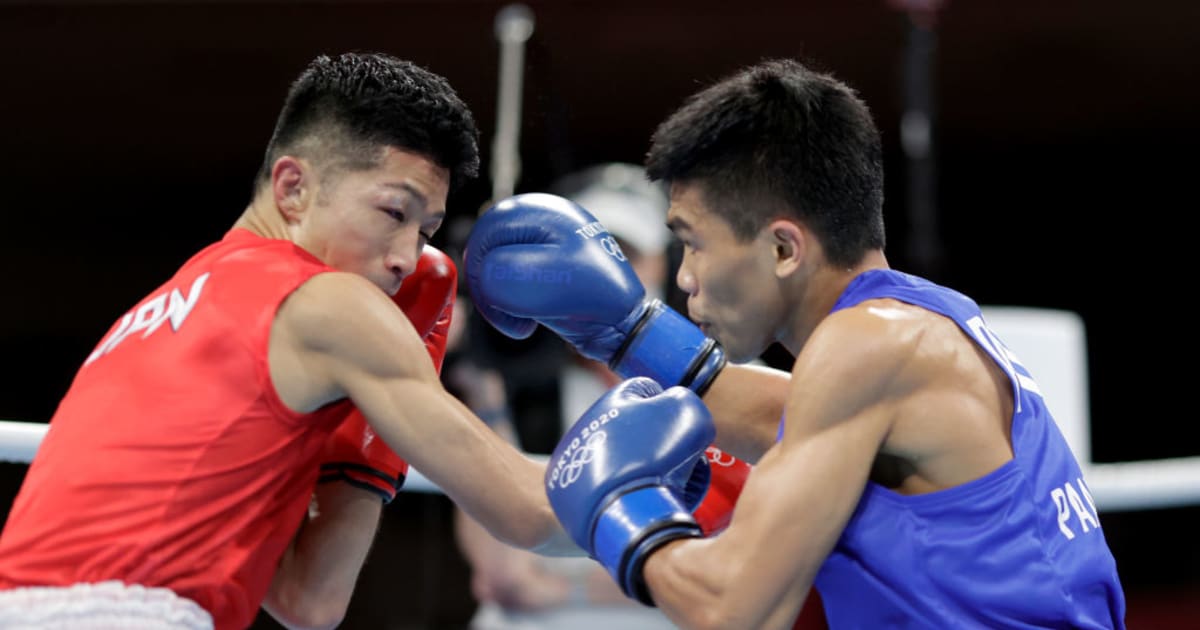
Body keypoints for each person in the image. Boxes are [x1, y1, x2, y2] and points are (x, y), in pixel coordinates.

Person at [464, 58, 1127, 628]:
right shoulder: (920, 321)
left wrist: (622, 512)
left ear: (782, 247)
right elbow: (757, 408)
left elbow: (732, 608)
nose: (686, 277)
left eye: (693, 242)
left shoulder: (866, 346)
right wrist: (618, 326)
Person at [0, 52, 572, 630]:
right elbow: (530, 513)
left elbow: (309, 600)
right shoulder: (325, 304)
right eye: (393, 212)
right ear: (293, 187)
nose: (406, 258)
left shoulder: (152, 316)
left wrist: (366, 456)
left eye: (425, 232)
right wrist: (651, 483)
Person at [451, 163, 686, 630]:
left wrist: (566, 588)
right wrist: (480, 387)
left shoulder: (715, 383)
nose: (606, 276)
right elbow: (505, 576)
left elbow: (731, 569)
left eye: (625, 254)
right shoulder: (516, 379)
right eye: (590, 260)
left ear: (661, 263)